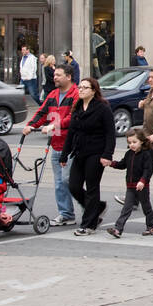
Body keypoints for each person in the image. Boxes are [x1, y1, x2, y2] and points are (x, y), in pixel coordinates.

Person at [61, 78, 116, 236]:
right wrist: (65, 154)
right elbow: (71, 132)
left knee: (92, 187)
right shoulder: (77, 107)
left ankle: (88, 224)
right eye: (80, 87)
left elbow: (110, 133)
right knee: (74, 186)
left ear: (93, 90)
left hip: (96, 152)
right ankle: (96, 207)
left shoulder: (102, 108)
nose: (81, 90)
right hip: (79, 152)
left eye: (85, 88)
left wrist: (107, 155)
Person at [25, 65, 78, 225]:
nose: (54, 77)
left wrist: (54, 126)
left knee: (69, 180)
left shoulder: (76, 94)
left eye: (58, 75)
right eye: (54, 75)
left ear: (68, 77)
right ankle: (66, 214)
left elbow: (72, 117)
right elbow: (42, 112)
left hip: (71, 145)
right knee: (59, 183)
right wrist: (31, 125)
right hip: (56, 144)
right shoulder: (53, 94)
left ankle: (92, 209)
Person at [102, 127, 153, 238]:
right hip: (130, 187)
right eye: (129, 142)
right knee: (126, 209)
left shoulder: (146, 154)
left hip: (142, 187)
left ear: (141, 141)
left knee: (146, 207)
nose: (131, 145)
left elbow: (147, 170)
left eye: (134, 142)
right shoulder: (129, 154)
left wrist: (142, 181)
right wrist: (111, 163)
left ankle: (151, 226)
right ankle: (118, 229)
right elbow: (122, 165)